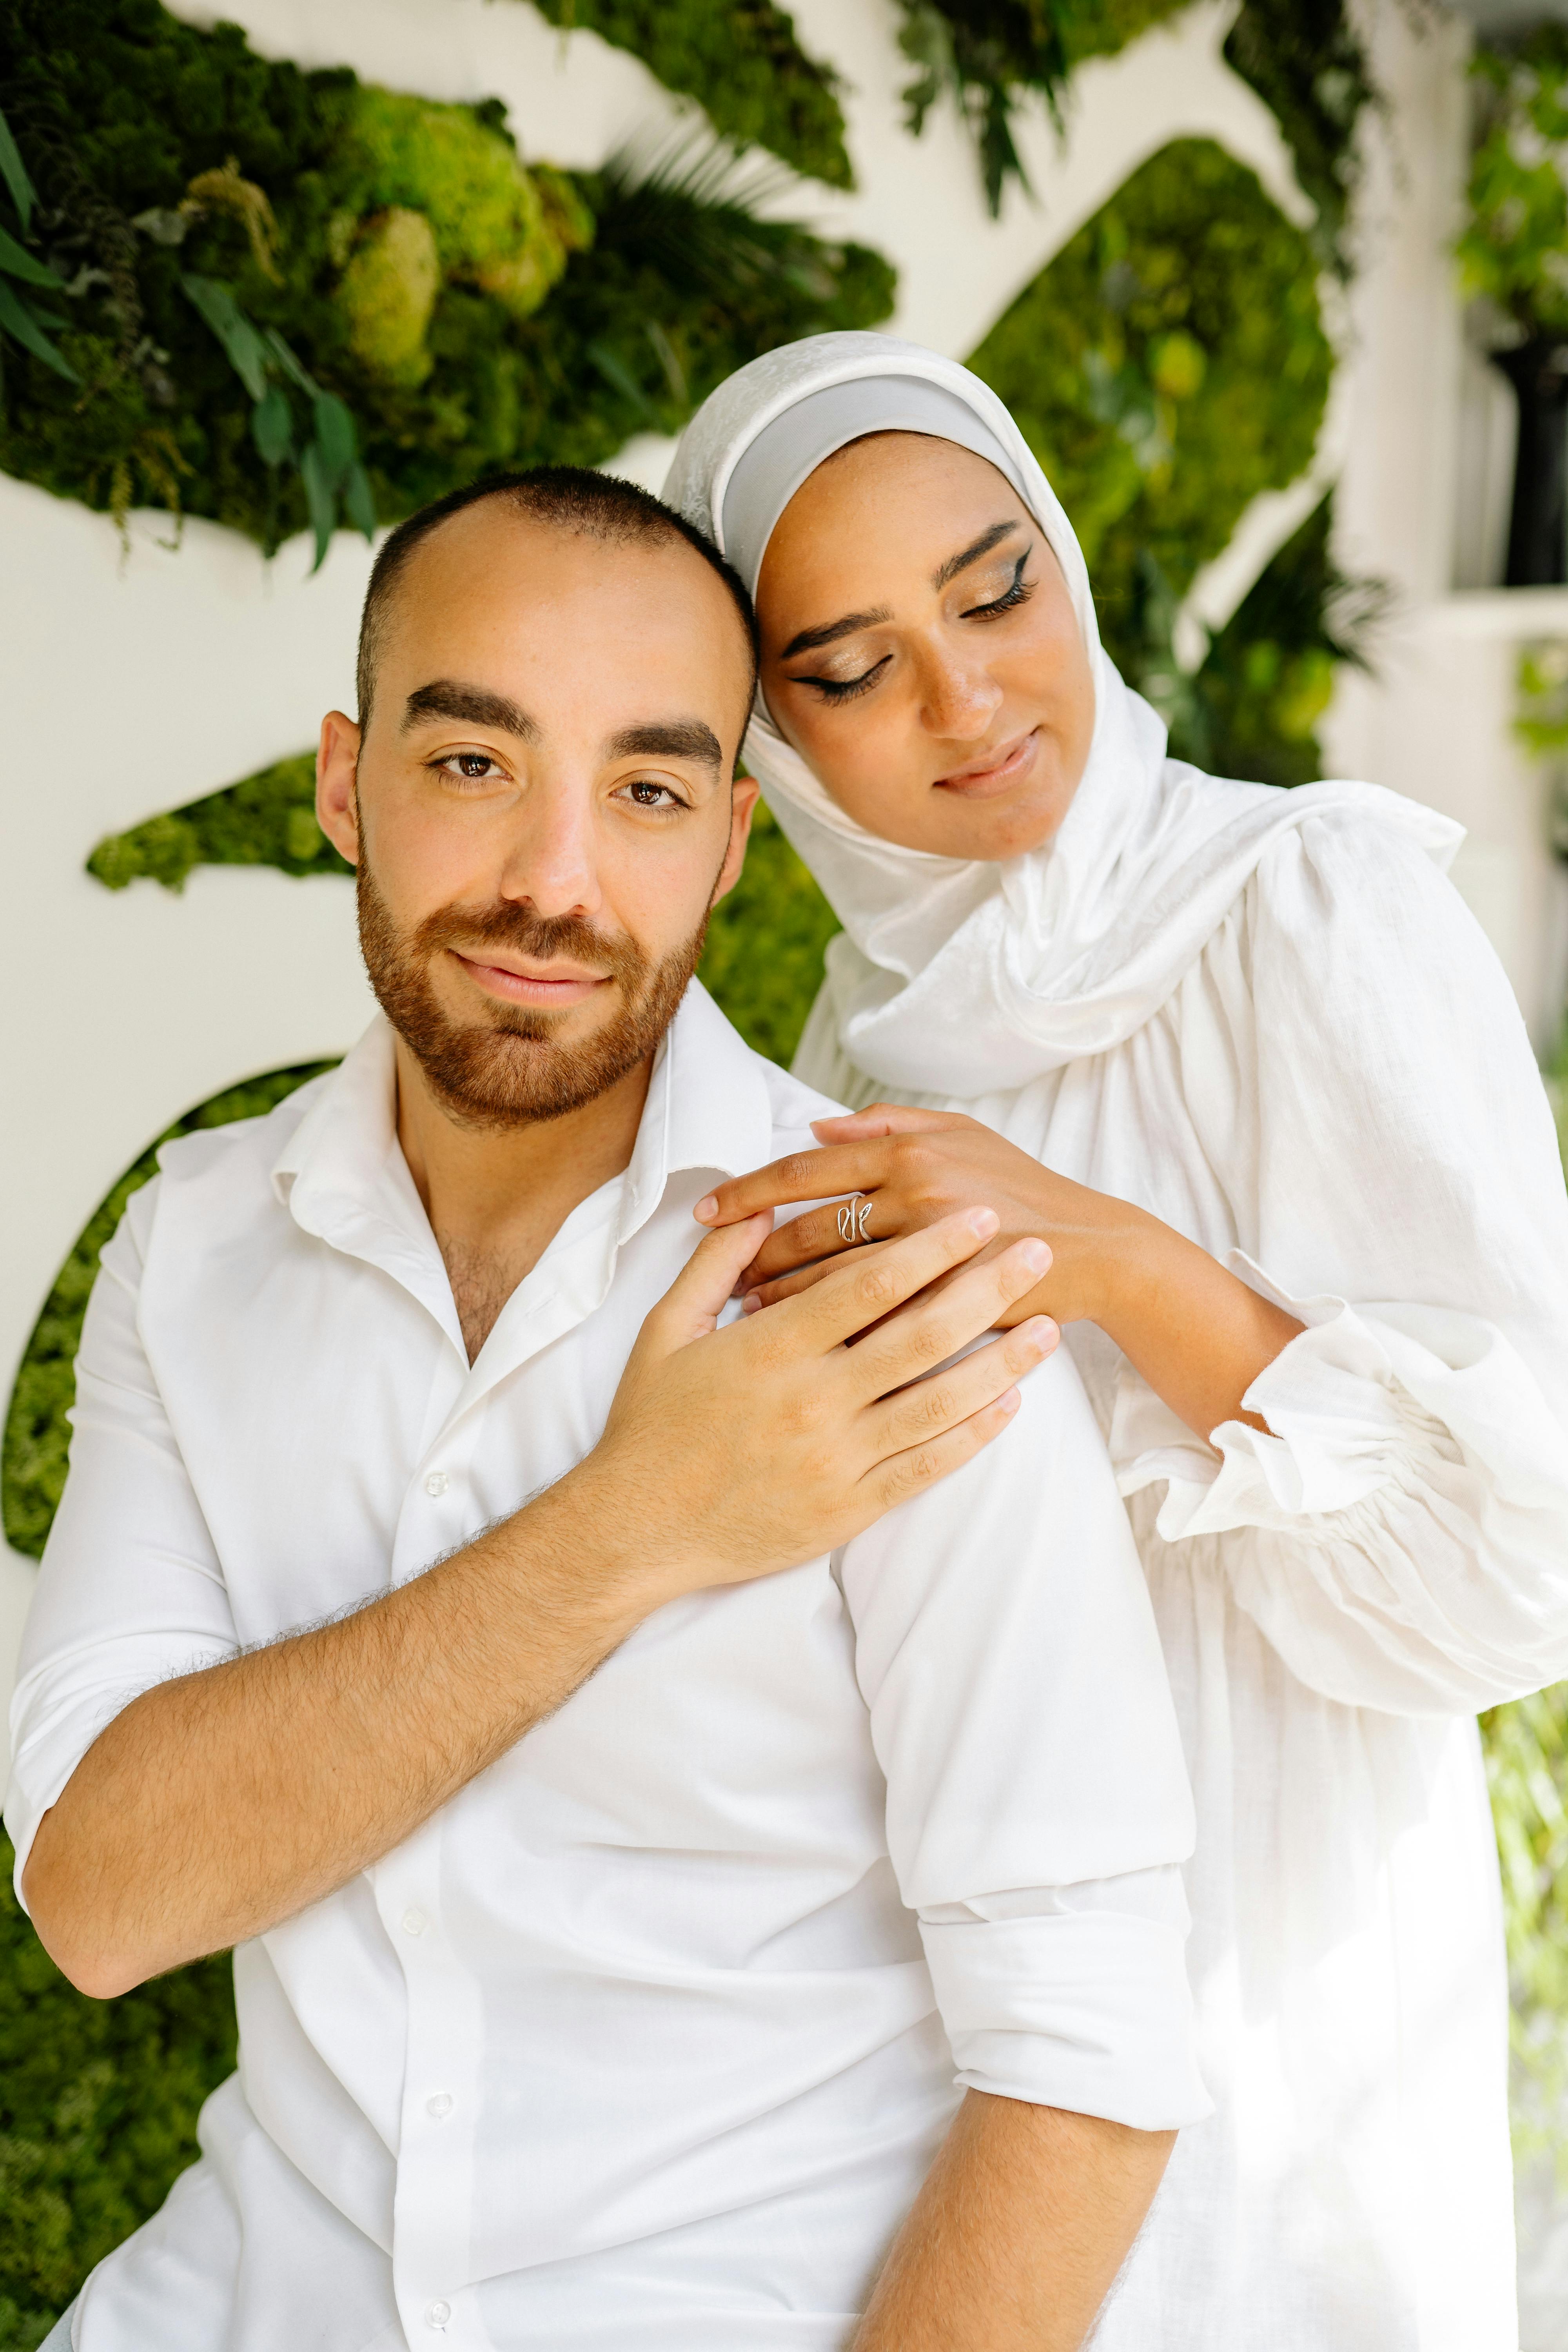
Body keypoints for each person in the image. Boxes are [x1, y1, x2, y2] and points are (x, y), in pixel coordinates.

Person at [7, 465, 1209, 2352]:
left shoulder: (880, 1272)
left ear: (728, 844)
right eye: (475, 765)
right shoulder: (201, 1242)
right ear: (346, 780)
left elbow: (1090, 2053)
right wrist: (638, 1526)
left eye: (645, 791)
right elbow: (100, 1892)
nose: (554, 885)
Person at [666, 334, 1568, 2351]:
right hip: (932, 2049)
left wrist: (1111, 1261)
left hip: (1282, 2024)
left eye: (994, 592)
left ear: (1064, 562)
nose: (967, 698)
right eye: (851, 665)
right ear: (772, 736)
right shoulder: (839, 1060)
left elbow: (1524, 1575)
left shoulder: (1303, 909)